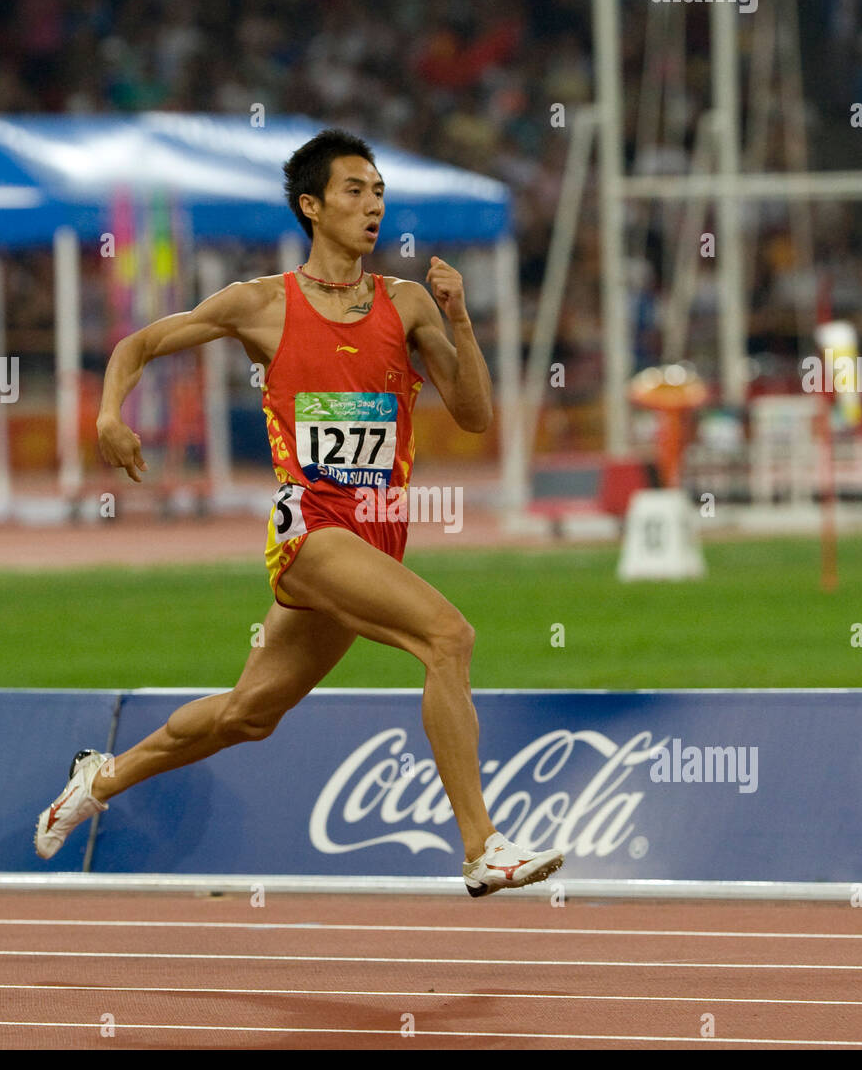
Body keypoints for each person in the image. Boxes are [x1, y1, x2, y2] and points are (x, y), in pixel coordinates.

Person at [34, 128, 563, 897]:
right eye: (356, 191)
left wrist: (462, 321)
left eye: (380, 191)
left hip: (375, 543)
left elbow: (476, 416)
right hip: (311, 532)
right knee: (449, 639)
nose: (373, 204)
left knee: (249, 714)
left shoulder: (407, 302)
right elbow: (138, 345)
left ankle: (100, 778)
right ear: (313, 207)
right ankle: (482, 845)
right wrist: (109, 415)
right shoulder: (261, 305)